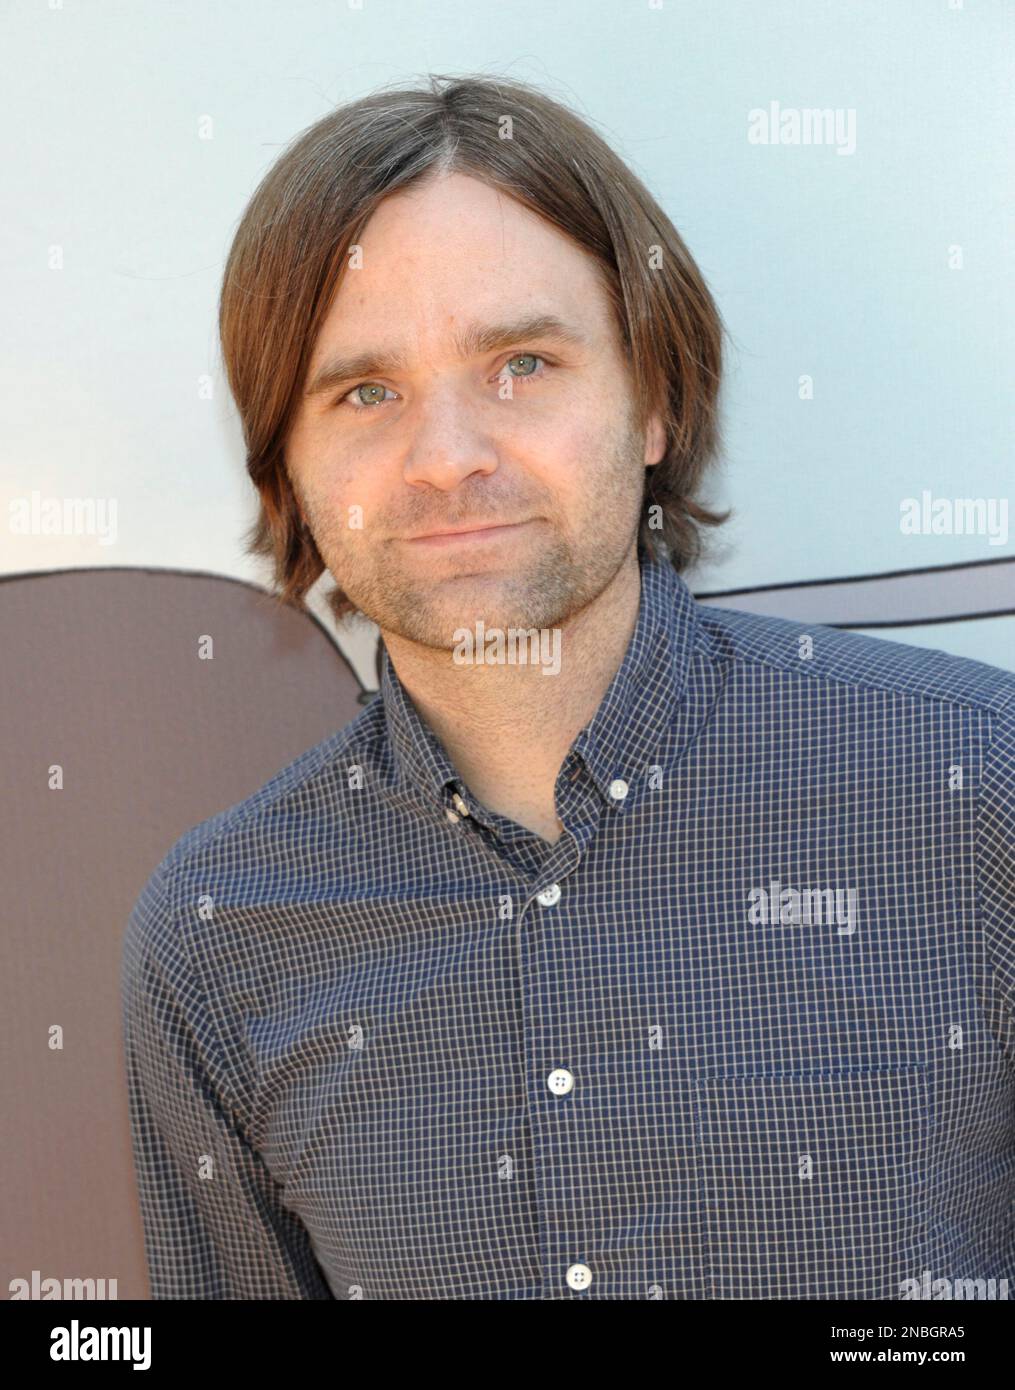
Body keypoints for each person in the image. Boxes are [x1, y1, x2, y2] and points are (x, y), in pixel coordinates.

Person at [121, 73, 1014, 1300]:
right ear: (288, 458)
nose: (446, 458)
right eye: (365, 392)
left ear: (652, 399)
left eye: (522, 363)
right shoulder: (218, 941)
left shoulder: (976, 791)